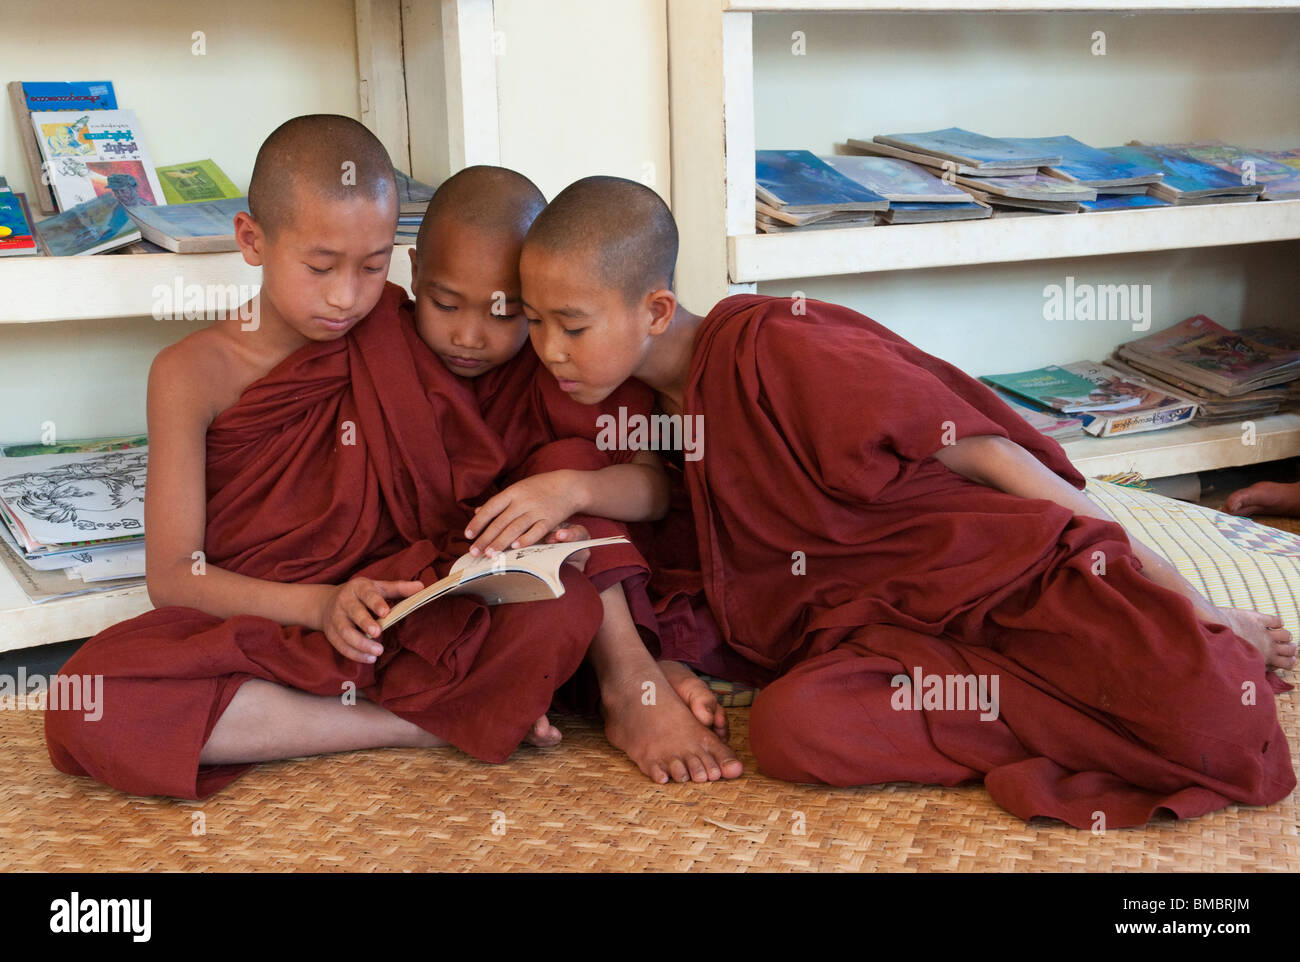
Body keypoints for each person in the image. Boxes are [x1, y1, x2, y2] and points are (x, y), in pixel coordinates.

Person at [510, 174, 1298, 828]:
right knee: (792, 732)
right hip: (882, 638)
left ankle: (1126, 684)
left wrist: (1196, 604)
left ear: (653, 309)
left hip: (1004, 585)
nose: (548, 351)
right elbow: (701, 547)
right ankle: (1045, 718)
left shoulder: (780, 346)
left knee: (1221, 727)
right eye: (537, 322)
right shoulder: (642, 407)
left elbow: (988, 454)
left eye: (572, 326)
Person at [44, 116, 605, 798]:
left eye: (372, 266)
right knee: (87, 702)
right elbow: (174, 576)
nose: (347, 296)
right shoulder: (189, 372)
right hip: (264, 624)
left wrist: (517, 545)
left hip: (396, 623)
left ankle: (416, 705)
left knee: (565, 605)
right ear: (252, 240)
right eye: (320, 266)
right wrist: (320, 606)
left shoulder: (403, 332)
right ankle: (414, 725)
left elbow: (461, 492)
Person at [403, 165, 740, 783]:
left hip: (601, 560)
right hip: (468, 574)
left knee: (567, 466)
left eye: (508, 313)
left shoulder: (578, 367)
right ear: (414, 274)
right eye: (445, 304)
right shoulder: (390, 359)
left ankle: (628, 678)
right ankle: (636, 669)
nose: (470, 336)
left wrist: (569, 489)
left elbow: (658, 487)